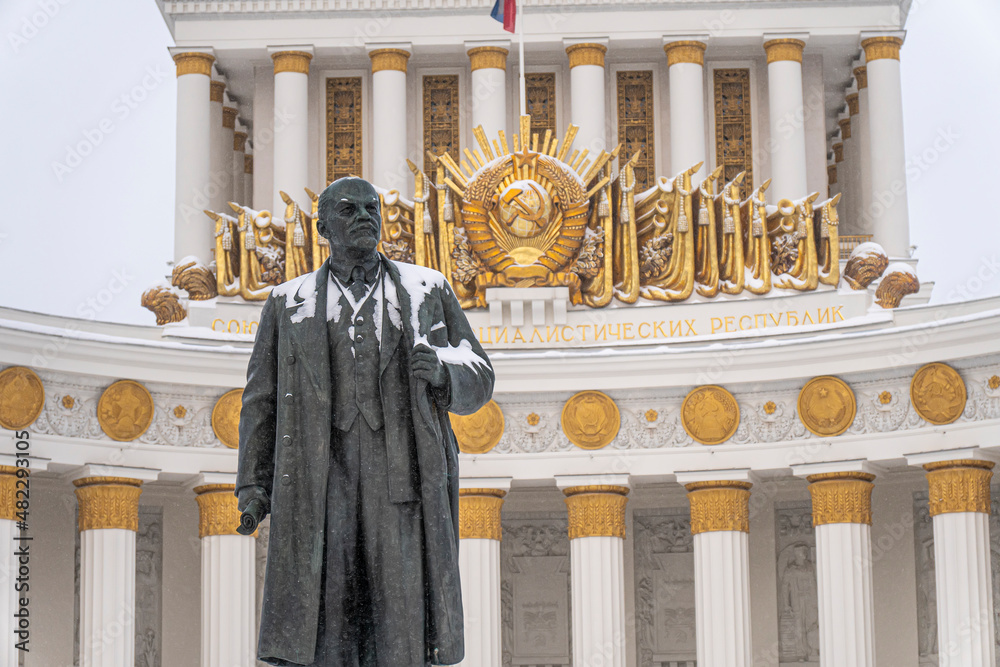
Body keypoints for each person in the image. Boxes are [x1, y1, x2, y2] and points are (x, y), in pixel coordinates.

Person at [236, 176, 495, 666]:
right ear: (323, 226)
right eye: (349, 209)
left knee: (400, 620)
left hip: (402, 483)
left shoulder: (427, 289)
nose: (364, 218)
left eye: (372, 208)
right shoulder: (284, 303)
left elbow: (480, 372)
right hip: (319, 483)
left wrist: (444, 371)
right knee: (327, 620)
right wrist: (253, 485)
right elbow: (260, 401)